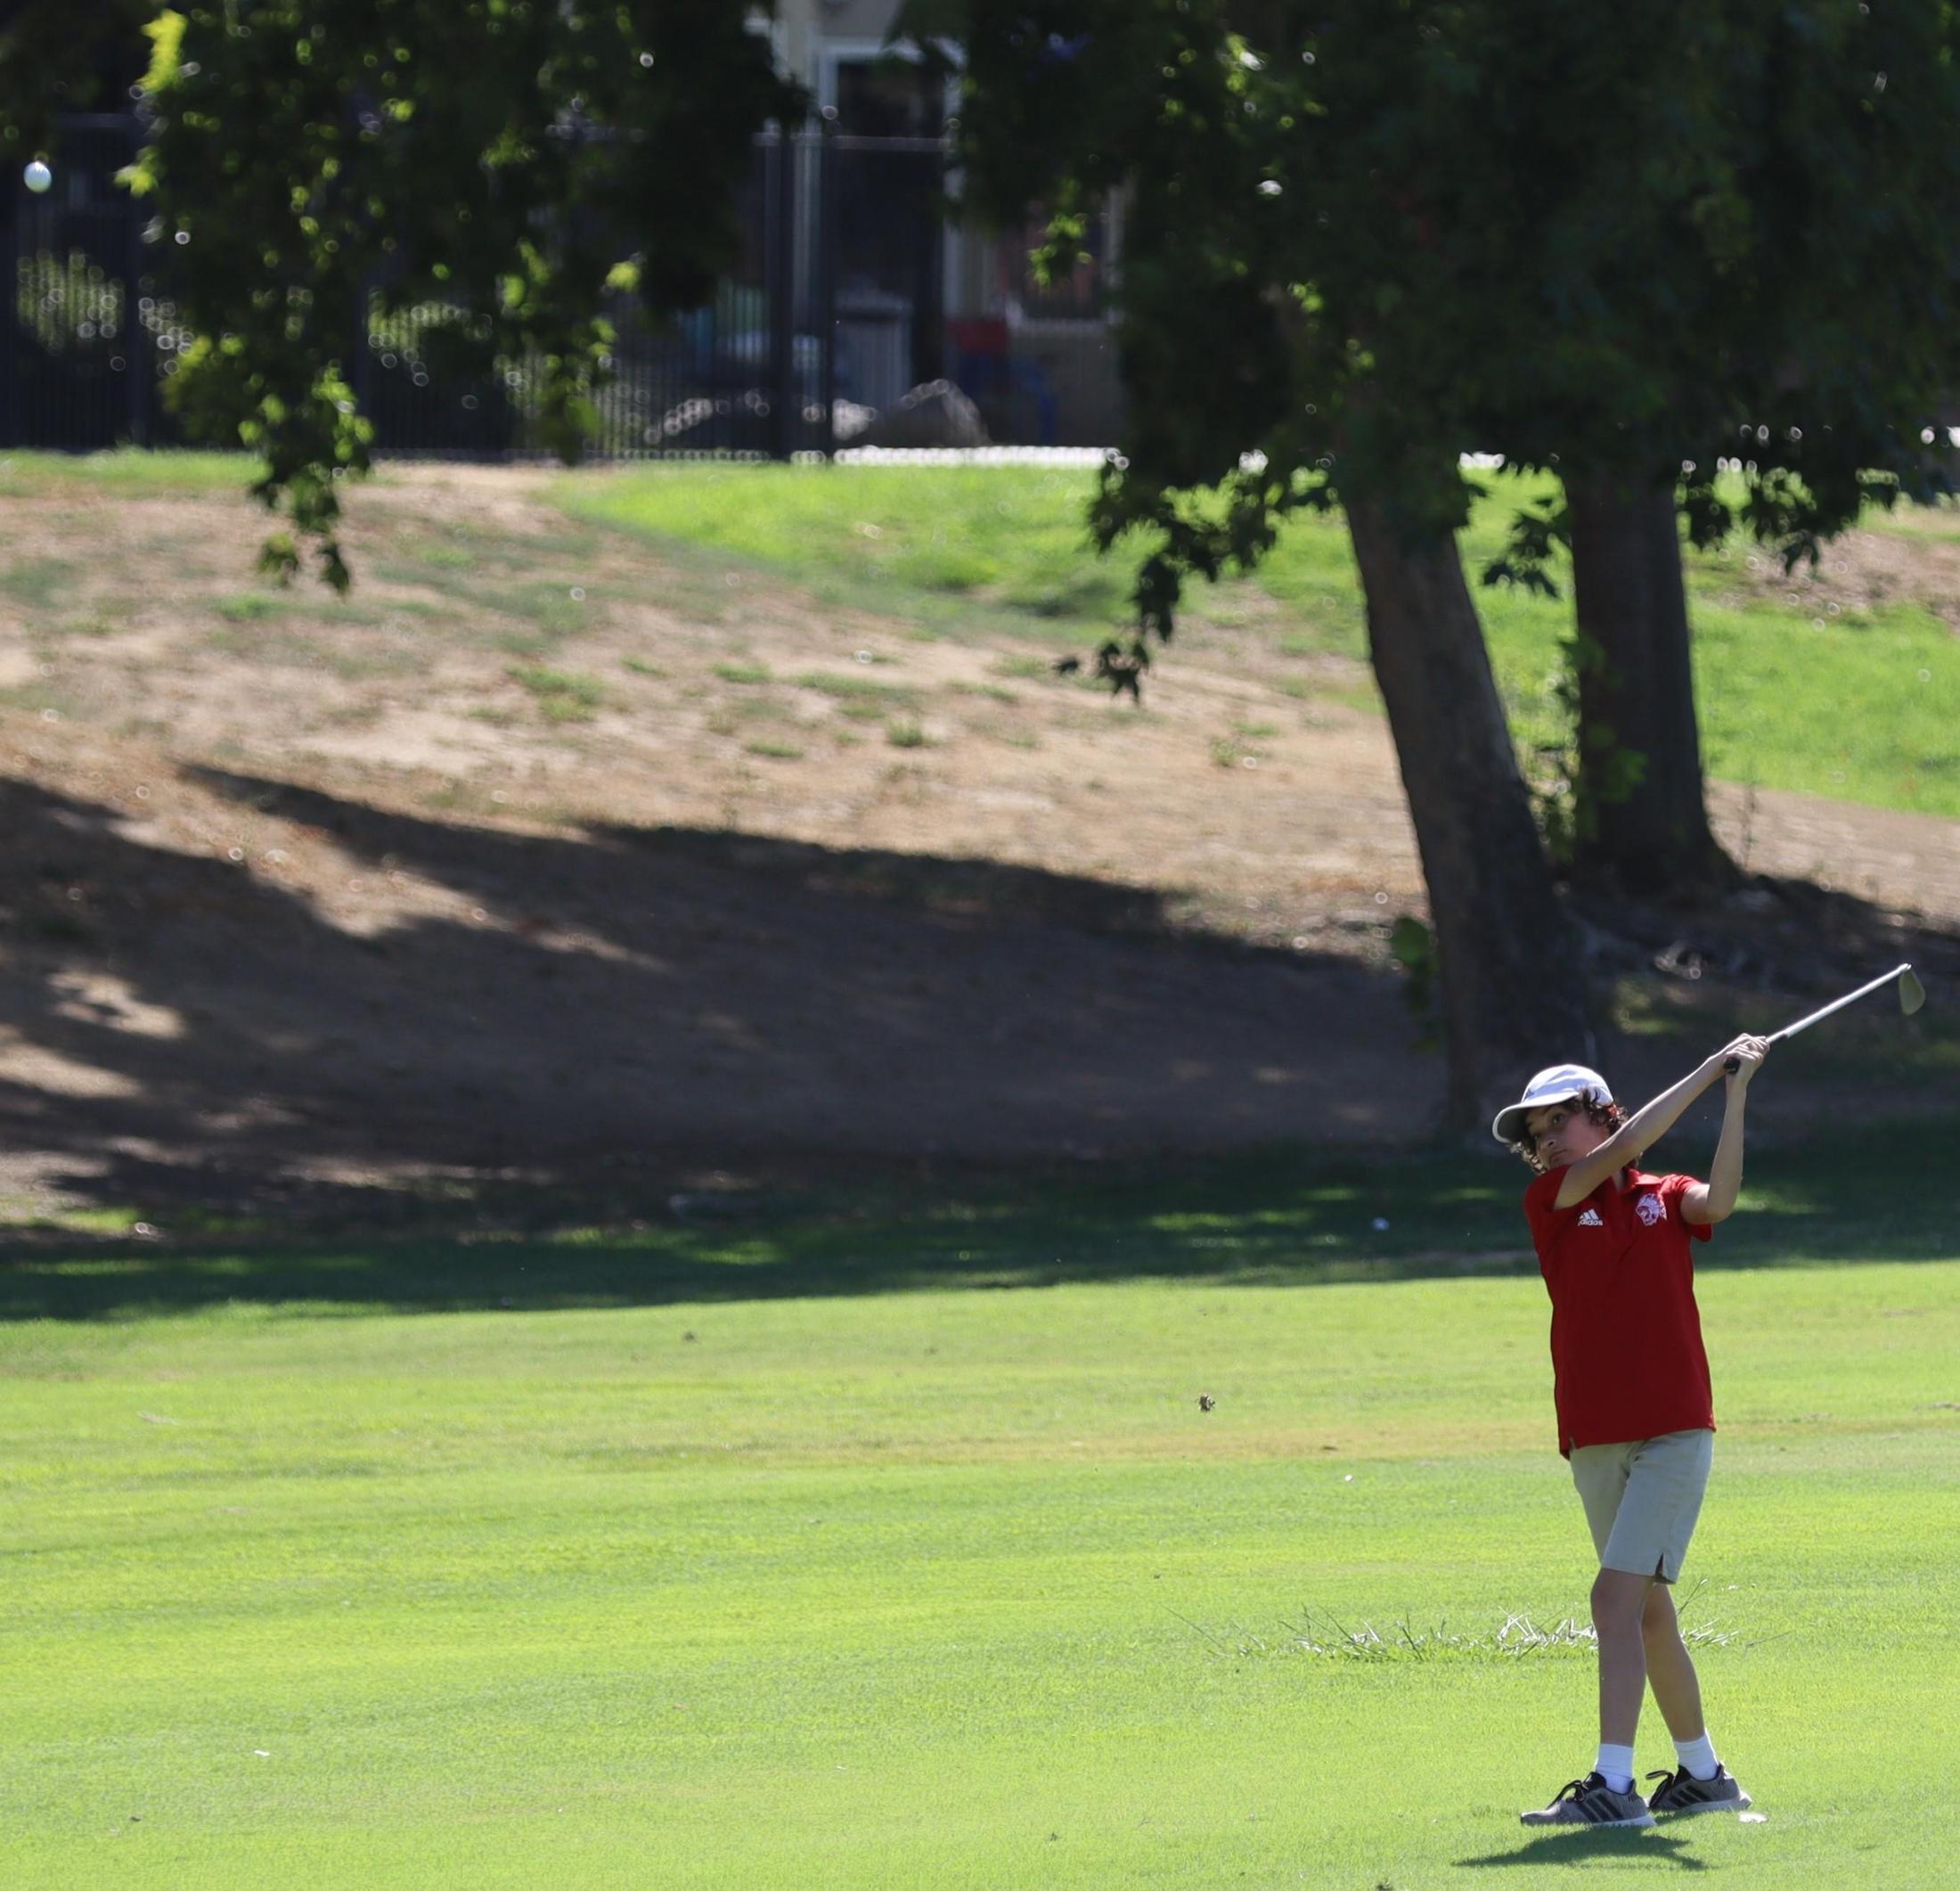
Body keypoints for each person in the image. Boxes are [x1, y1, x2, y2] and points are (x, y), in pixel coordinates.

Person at [1491, 1039, 1768, 1830]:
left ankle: (1613, 1785)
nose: (1546, 1141)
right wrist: (1713, 1068)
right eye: (1536, 1132)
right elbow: (1623, 1147)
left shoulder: (1662, 1193)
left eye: (1559, 1122)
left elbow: (1716, 1204)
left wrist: (1736, 1094)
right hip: (1594, 1436)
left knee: (1614, 1598)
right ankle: (1705, 1775)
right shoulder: (1553, 1201)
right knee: (1647, 1612)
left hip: (1674, 1431)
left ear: (1601, 1110)